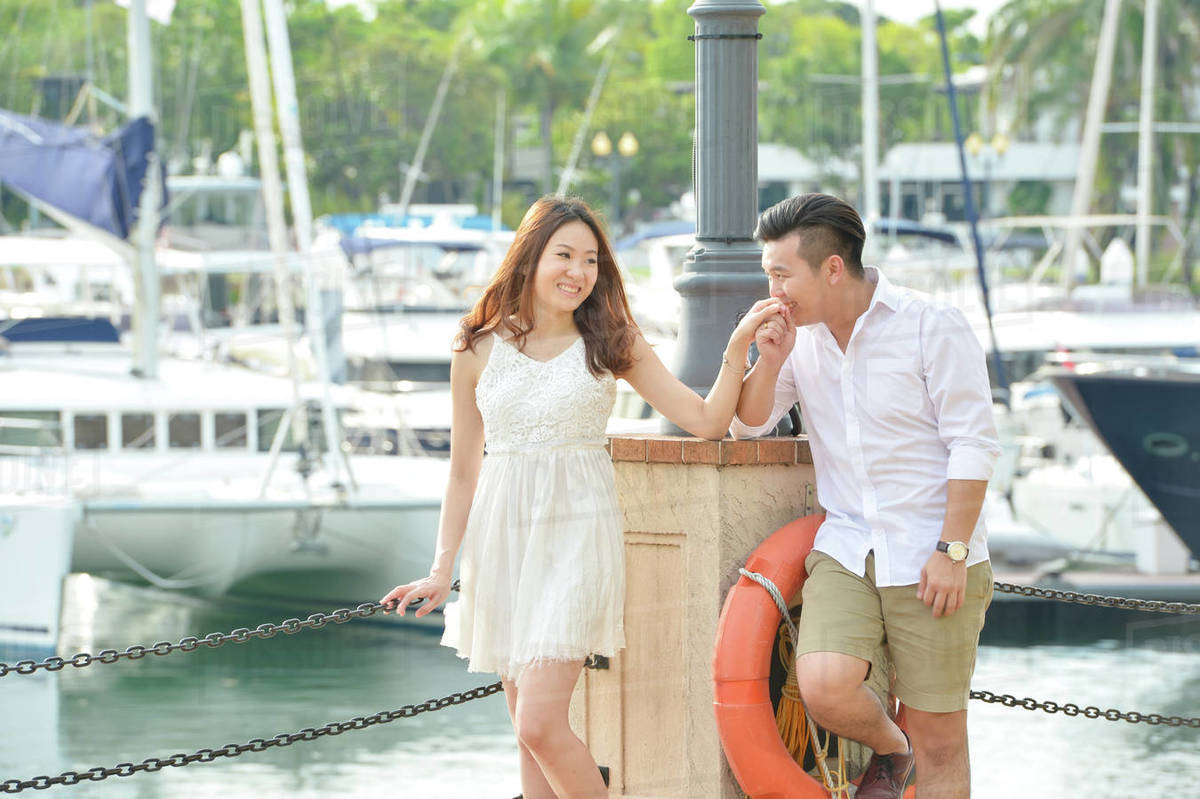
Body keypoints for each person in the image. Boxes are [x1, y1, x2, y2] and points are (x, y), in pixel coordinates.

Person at [380, 195, 787, 799]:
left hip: (576, 540)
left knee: (541, 725)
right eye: (564, 255)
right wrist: (443, 570)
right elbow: (463, 470)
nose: (578, 272)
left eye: (591, 260)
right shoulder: (475, 347)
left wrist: (738, 356)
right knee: (526, 736)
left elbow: (703, 420)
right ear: (529, 257)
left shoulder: (609, 340)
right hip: (504, 545)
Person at [732, 193, 1000, 799]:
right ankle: (890, 747)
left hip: (933, 552)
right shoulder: (798, 339)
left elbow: (973, 443)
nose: (772, 287)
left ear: (831, 268)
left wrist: (953, 550)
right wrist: (767, 361)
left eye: (781, 273)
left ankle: (912, 751)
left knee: (941, 743)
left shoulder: (932, 324)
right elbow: (749, 423)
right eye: (767, 273)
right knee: (823, 685)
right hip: (848, 545)